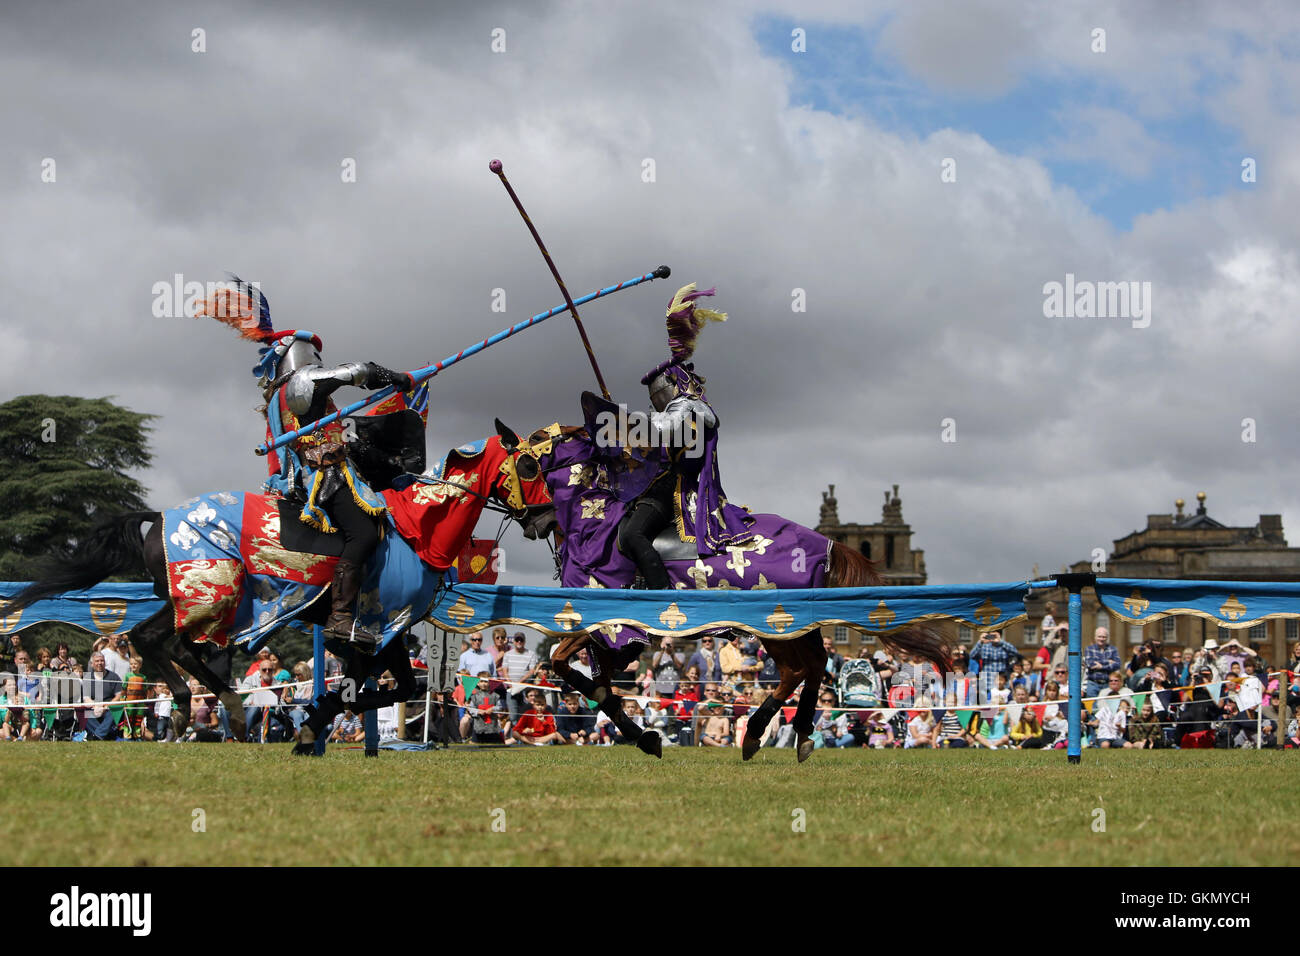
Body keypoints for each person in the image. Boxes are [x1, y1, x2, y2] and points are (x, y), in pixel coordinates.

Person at [199, 281, 416, 649]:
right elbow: (354, 372)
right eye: (314, 355)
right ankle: (341, 618)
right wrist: (398, 377)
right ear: (301, 357)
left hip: (320, 474)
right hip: (327, 476)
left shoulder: (280, 400)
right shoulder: (300, 384)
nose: (318, 361)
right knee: (363, 533)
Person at [617, 283, 754, 588]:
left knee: (632, 535)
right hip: (657, 487)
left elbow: (664, 426)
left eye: (656, 398)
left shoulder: (689, 409)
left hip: (675, 490)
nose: (654, 404)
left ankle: (661, 593)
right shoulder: (678, 411)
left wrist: (625, 424)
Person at [81, 652, 123, 740]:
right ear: (92, 664)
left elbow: (119, 696)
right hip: (94, 708)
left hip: (109, 709)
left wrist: (106, 706)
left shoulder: (114, 677)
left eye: (102, 661)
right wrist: (96, 706)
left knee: (116, 709)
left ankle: (97, 735)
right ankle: (105, 736)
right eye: (97, 661)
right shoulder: (87, 677)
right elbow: (86, 698)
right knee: (82, 712)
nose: (100, 663)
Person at [969, 631, 1020, 704]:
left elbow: (1016, 652)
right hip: (987, 682)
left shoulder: (1004, 646)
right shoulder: (984, 646)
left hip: (1001, 682)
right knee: (986, 706)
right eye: (991, 635)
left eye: (994, 635)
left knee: (1002, 704)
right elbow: (972, 655)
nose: (992, 637)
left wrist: (1001, 641)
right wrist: (980, 642)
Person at [500, 632, 539, 723]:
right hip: (511, 689)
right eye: (517, 640)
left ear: (524, 641)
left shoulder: (531, 654)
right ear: (514, 641)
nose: (519, 642)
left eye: (521, 640)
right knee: (513, 716)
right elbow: (504, 670)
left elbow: (531, 671)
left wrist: (520, 683)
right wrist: (510, 684)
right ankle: (514, 736)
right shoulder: (507, 654)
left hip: (526, 689)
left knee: (526, 714)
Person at [1083, 627, 1121, 699]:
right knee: (1092, 708)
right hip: (1093, 683)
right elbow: (1090, 664)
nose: (1101, 639)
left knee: (1106, 707)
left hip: (1107, 683)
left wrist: (1101, 666)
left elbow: (1117, 665)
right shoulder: (1089, 649)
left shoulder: (1113, 649)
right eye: (1099, 636)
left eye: (1104, 637)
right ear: (1095, 637)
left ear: (1107, 638)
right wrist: (1108, 661)